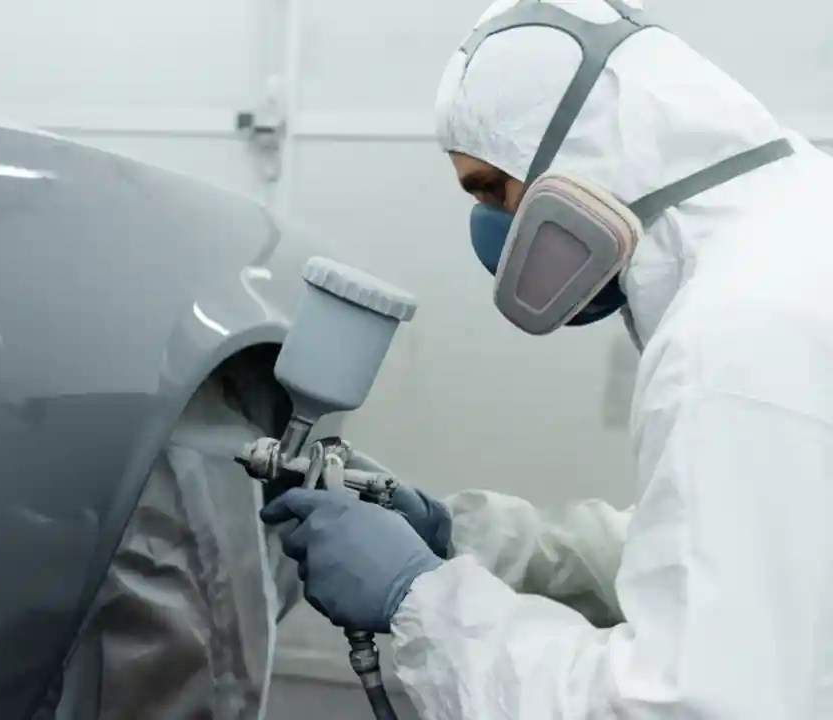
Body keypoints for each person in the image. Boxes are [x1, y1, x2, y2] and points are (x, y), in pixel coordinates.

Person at [260, 0, 833, 717]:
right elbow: (718, 554)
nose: (493, 231)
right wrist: (471, 539)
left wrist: (421, 602)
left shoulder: (733, 338)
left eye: (492, 189)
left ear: (582, 157)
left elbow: (684, 704)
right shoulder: (796, 238)